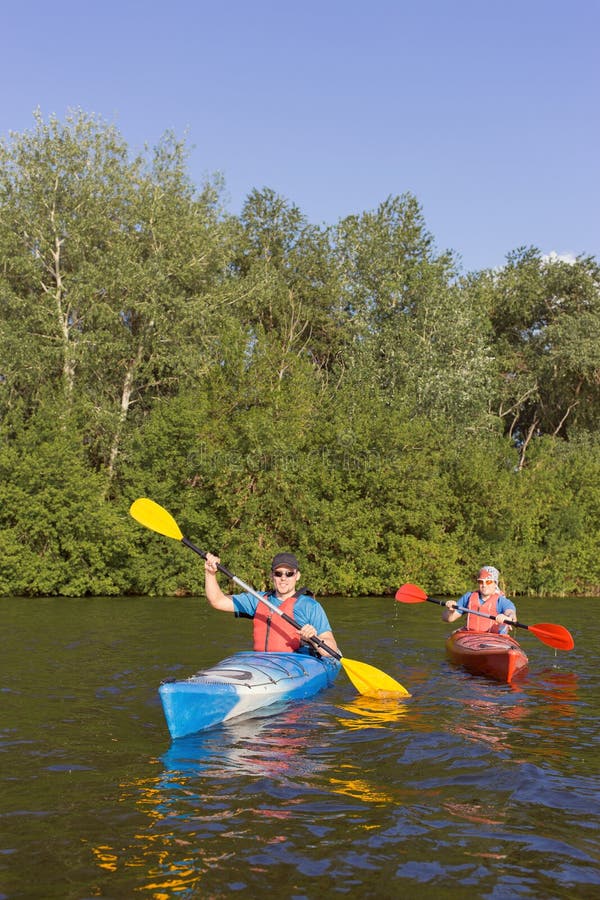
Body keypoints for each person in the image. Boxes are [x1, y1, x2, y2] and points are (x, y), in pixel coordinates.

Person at [204, 550, 339, 657]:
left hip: (297, 664)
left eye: (289, 573)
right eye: (278, 573)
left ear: (297, 576)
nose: (283, 578)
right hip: (262, 663)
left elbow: (330, 649)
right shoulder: (258, 599)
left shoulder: (310, 606)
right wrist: (210, 573)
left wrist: (312, 638)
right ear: (272, 575)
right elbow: (217, 601)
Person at [442, 565, 517, 634]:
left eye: (488, 581)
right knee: (453, 633)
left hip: (493, 637)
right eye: (481, 582)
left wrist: (507, 618)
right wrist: (450, 611)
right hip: (471, 636)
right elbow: (447, 619)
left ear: (495, 583)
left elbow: (511, 614)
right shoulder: (468, 597)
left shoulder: (501, 601)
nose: (484, 585)